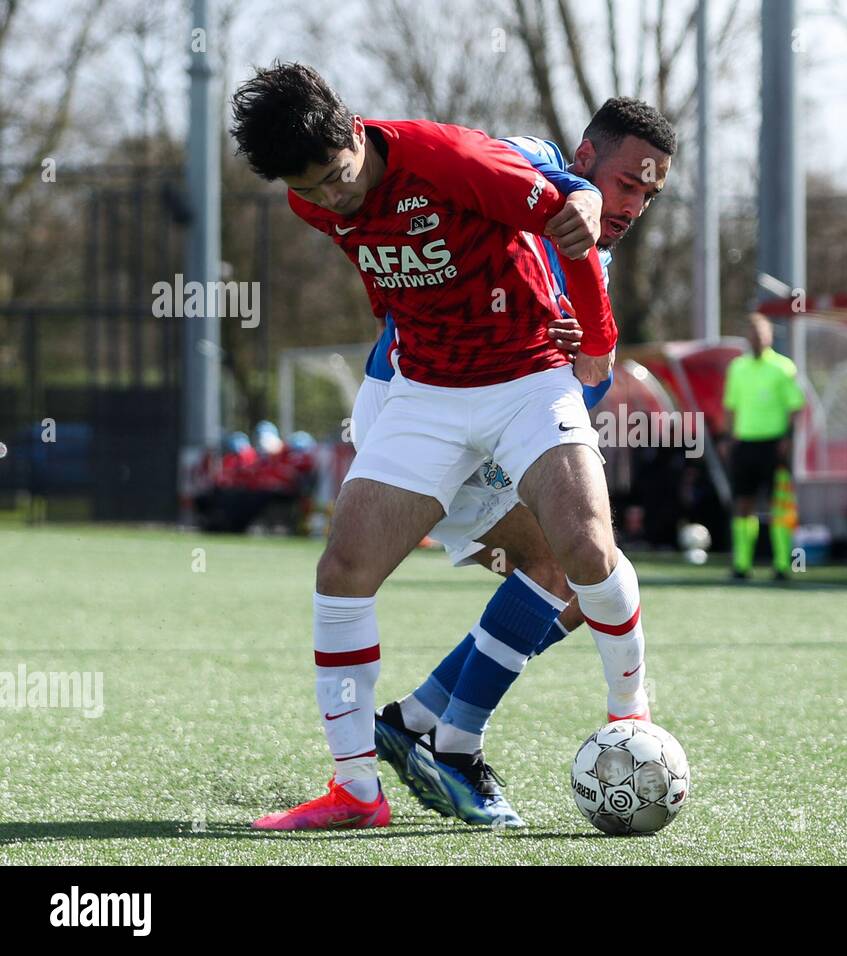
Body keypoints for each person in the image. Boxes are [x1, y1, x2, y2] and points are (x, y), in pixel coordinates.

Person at [229, 63, 665, 830]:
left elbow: (566, 206)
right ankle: (361, 791)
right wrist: (580, 210)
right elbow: (548, 181)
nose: (334, 198)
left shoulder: (450, 160)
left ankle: (623, 717)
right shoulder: (323, 196)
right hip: (422, 394)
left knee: (582, 551)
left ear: (354, 130)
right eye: (626, 182)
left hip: (526, 382)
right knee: (346, 571)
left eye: (338, 177)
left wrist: (593, 328)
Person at [351, 101, 676, 819]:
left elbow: (578, 369)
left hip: (474, 412)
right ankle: (454, 744)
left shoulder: (601, 258)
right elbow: (490, 165)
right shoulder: (535, 153)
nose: (633, 205)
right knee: (570, 571)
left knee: (577, 587)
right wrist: (578, 195)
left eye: (649, 194)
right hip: (425, 398)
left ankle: (417, 720)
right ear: (587, 156)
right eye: (625, 183)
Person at [720, 313, 806, 580]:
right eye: (753, 334)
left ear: (770, 337)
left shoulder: (783, 368)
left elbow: (795, 407)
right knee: (743, 504)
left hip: (774, 445)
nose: (757, 339)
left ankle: (783, 564)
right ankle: (742, 564)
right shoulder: (737, 368)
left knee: (778, 505)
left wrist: (788, 438)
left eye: (762, 334)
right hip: (745, 444)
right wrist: (728, 437)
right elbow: (730, 406)